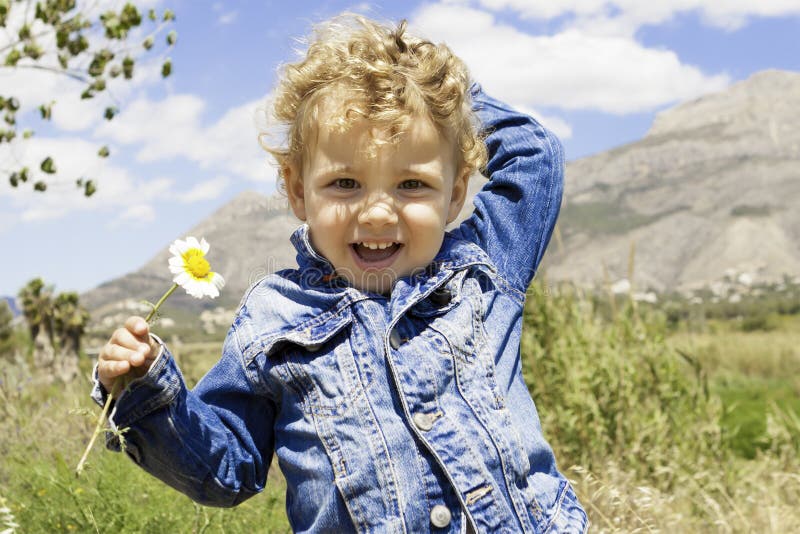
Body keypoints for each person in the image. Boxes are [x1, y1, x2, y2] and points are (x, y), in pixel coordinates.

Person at [93, 14, 589, 534]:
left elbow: (535, 156)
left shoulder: (484, 265)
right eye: (346, 183)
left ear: (457, 193)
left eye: (413, 185)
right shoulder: (273, 321)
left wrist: (437, 88)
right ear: (298, 191)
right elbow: (227, 468)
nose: (377, 213)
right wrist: (142, 392)